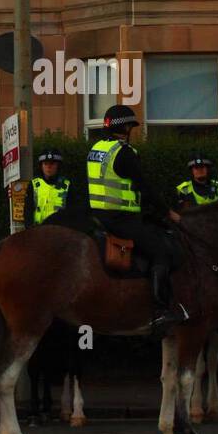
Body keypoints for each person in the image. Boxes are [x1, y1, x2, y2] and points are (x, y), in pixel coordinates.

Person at [87, 104, 187, 329]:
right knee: (160, 251)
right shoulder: (124, 153)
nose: (131, 130)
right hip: (121, 220)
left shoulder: (96, 149)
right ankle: (161, 310)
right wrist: (167, 212)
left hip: (99, 217)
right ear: (124, 128)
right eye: (131, 126)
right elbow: (145, 187)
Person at [25, 149, 73, 226]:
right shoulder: (34, 184)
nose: (48, 167)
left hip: (60, 231)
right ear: (41, 166)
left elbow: (71, 211)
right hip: (38, 230)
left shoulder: (67, 185)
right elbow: (28, 210)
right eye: (45, 164)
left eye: (52, 164)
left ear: (58, 166)